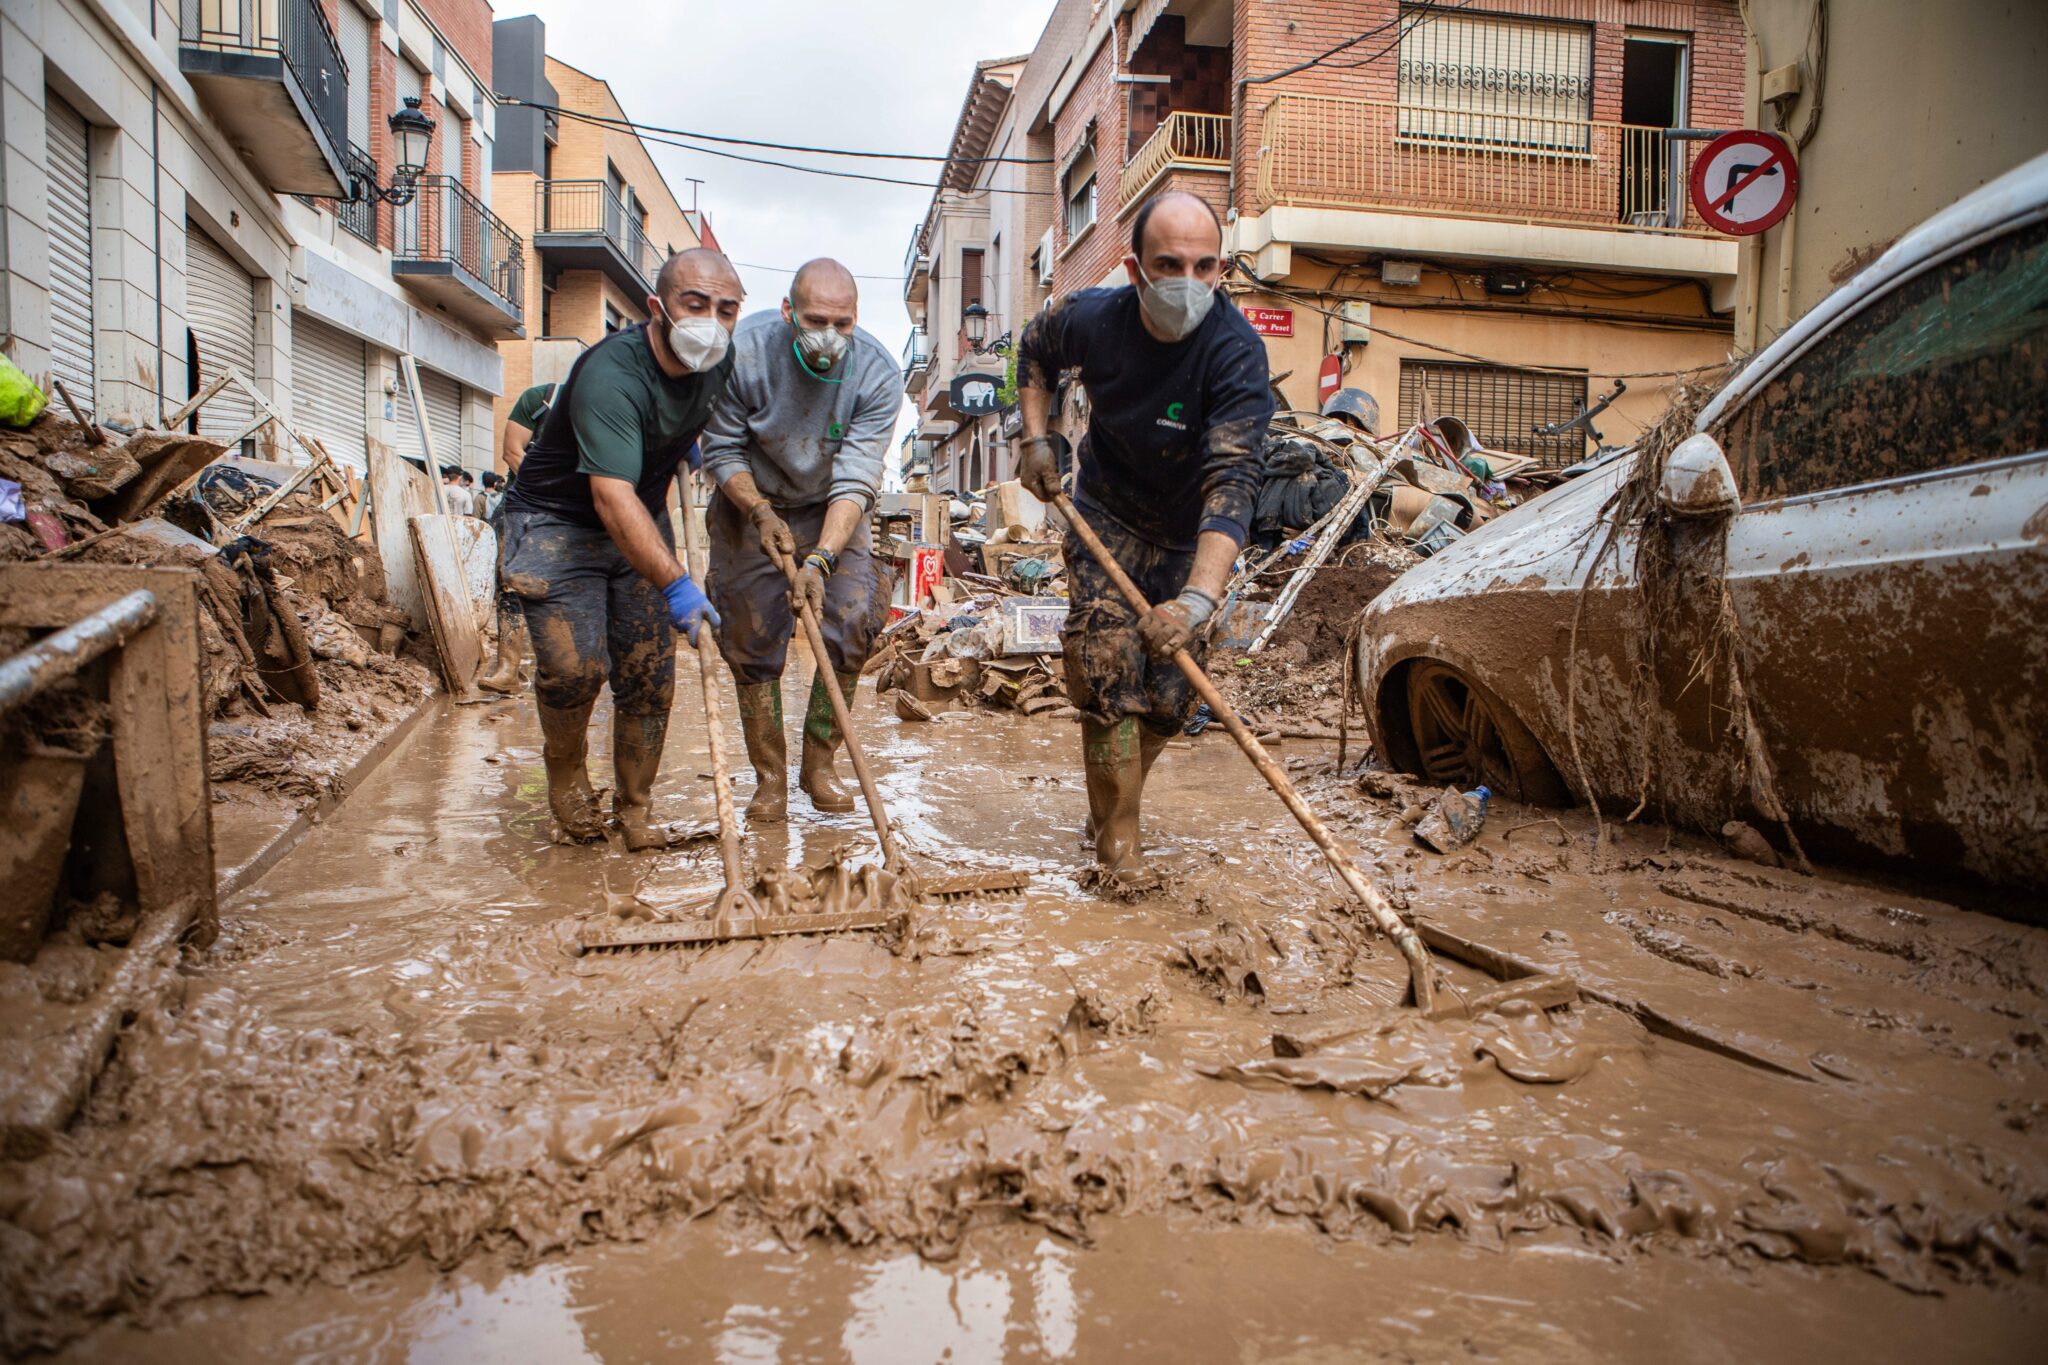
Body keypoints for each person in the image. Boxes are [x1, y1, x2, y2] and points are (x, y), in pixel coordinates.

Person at [1014, 191, 1274, 880]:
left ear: (1221, 270)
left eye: (1204, 265)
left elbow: (1233, 488)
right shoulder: (1094, 320)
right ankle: (1117, 845)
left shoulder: (1237, 356)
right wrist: (1037, 438)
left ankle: (1116, 799)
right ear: (1135, 271)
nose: (1188, 282)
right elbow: (1034, 352)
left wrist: (1197, 602)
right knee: (1106, 670)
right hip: (1106, 512)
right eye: (1169, 264)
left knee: (1168, 699)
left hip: (1194, 536)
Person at [497, 248, 742, 848]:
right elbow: (611, 498)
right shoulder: (611, 373)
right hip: (557, 522)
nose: (711, 320)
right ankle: (568, 785)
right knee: (575, 670)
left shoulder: (717, 360)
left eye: (726, 308)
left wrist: (684, 441)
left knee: (649, 677)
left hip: (641, 512)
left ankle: (635, 813)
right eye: (695, 304)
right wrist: (677, 582)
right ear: (657, 308)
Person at [697, 259, 896, 824]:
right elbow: (723, 450)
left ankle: (819, 766)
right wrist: (759, 513)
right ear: (789, 312)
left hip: (833, 506)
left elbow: (857, 476)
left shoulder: (877, 373)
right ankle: (770, 779)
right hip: (750, 502)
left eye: (843, 323)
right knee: (751, 637)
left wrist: (823, 558)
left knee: (853, 622)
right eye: (815, 320)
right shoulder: (745, 354)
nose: (829, 337)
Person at [477, 381, 556, 694]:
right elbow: (512, 452)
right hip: (524, 502)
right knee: (511, 581)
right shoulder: (539, 399)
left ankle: (555, 671)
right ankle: (508, 668)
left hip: (573, 512)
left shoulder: (604, 412)